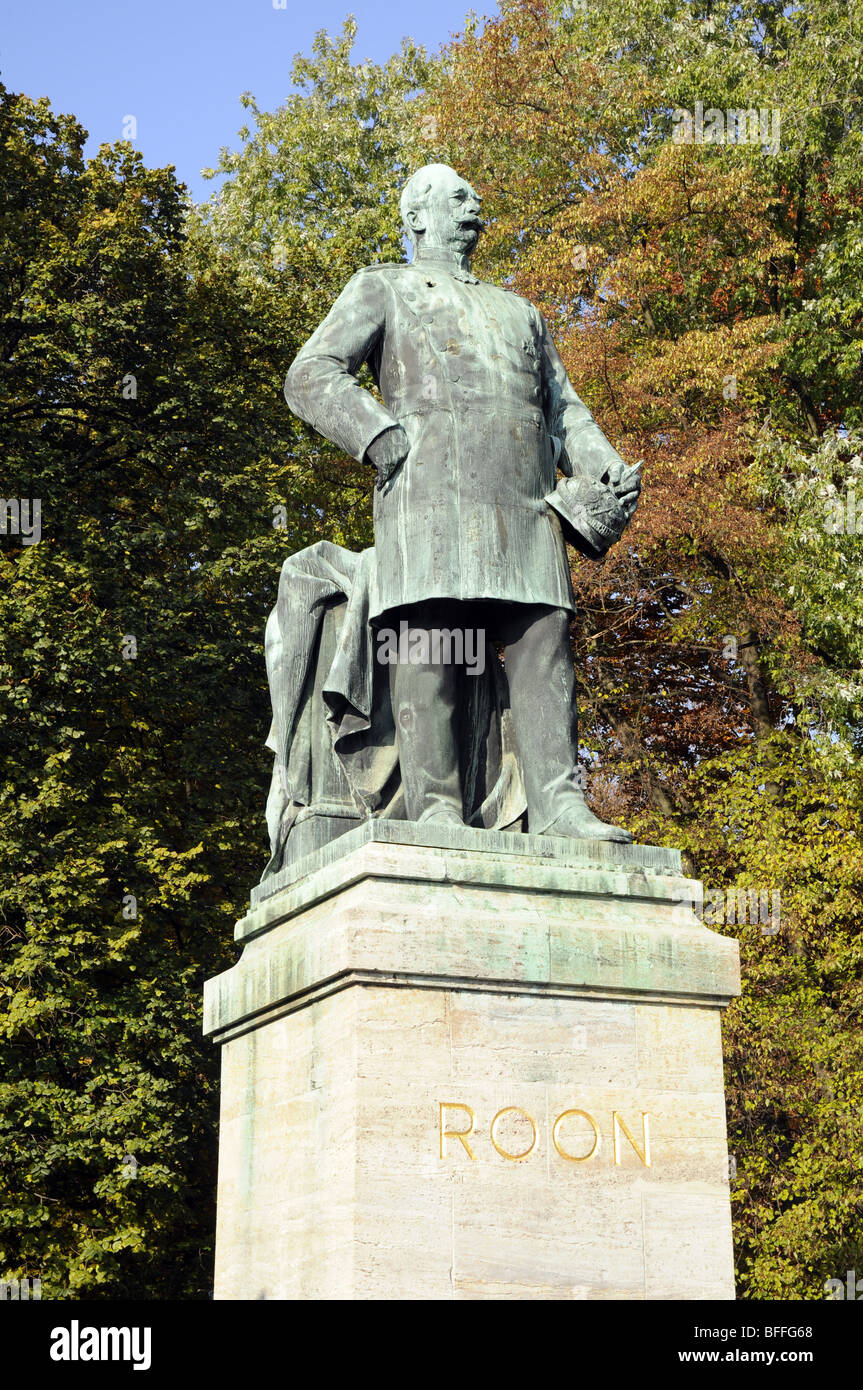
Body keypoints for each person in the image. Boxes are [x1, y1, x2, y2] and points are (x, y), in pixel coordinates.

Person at [284, 163, 639, 840]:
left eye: (475, 195)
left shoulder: (520, 311)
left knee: (543, 640)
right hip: (427, 498)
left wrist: (606, 469)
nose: (476, 204)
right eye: (458, 197)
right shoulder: (381, 287)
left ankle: (561, 807)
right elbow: (311, 374)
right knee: (429, 644)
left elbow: (565, 413)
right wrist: (375, 431)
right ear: (416, 217)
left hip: (525, 502)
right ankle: (435, 805)